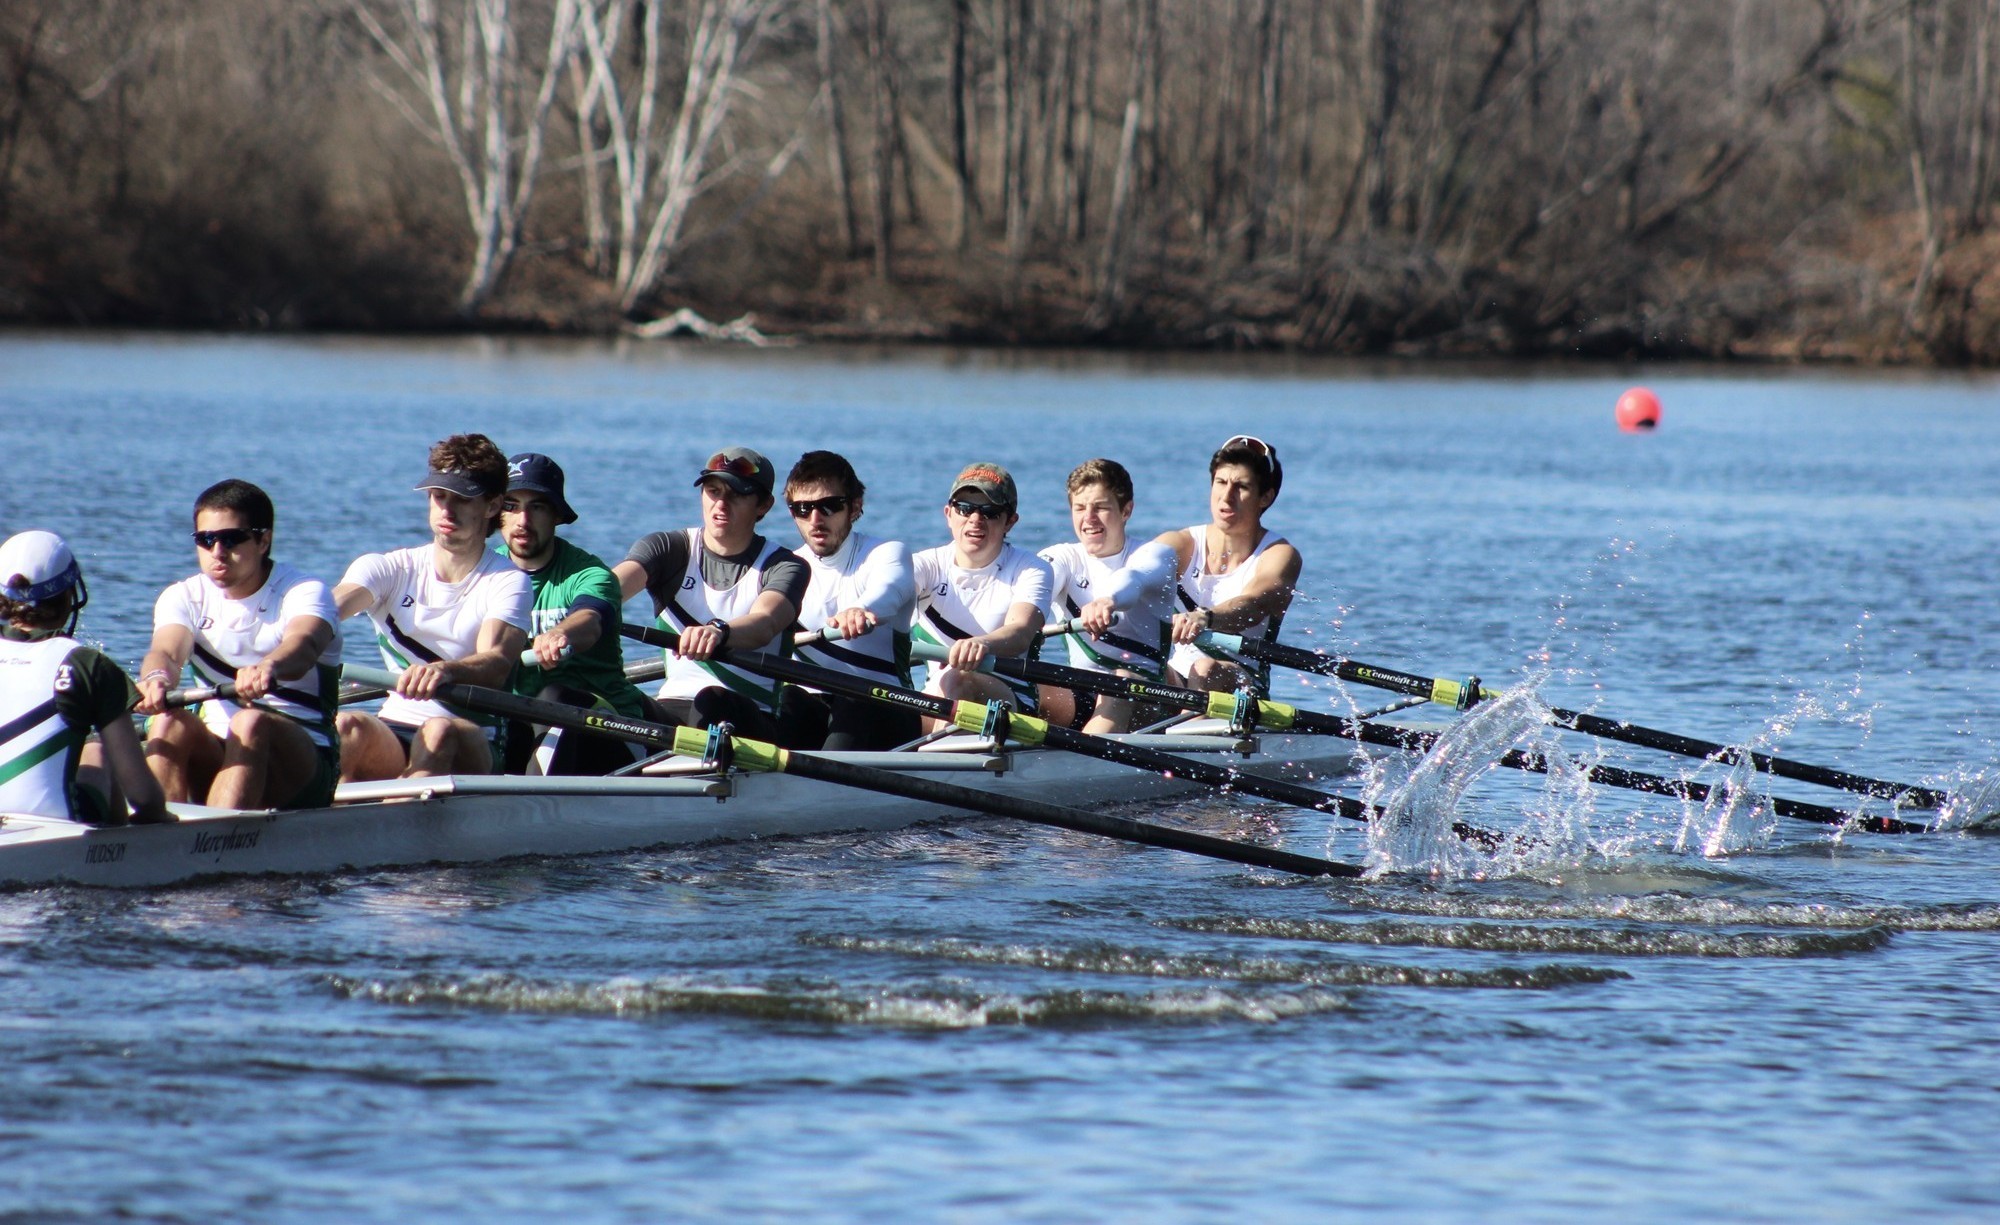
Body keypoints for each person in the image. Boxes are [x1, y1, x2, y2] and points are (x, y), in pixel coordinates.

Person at [334, 434, 533, 781]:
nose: (447, 510)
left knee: (438, 731)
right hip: (396, 725)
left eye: (462, 499)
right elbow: (324, 612)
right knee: (348, 724)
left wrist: (446, 671)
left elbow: (496, 661)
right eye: (439, 497)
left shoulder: (507, 581)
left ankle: (395, 816)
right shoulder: (389, 569)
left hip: (474, 736)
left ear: (491, 506)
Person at [134, 479, 343, 810]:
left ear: (263, 541)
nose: (217, 553)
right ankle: (152, 833)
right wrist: (156, 678)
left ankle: (217, 839)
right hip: (219, 749)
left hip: (304, 759)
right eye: (206, 540)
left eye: (231, 539)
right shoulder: (184, 596)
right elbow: (167, 651)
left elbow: (303, 645)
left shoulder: (304, 592)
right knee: (169, 720)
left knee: (249, 721)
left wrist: (268, 667)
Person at [614, 446, 809, 744]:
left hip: (747, 716)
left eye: (737, 494)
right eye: (713, 491)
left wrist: (718, 631)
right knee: (596, 697)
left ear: (764, 506)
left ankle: (688, 782)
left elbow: (765, 623)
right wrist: (576, 616)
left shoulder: (784, 566)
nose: (721, 504)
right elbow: (608, 590)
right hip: (672, 712)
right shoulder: (667, 549)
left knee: (712, 699)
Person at [0, 531, 170, 825]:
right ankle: (114, 847)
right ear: (69, 595)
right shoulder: (89, 664)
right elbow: (143, 798)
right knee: (98, 748)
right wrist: (160, 817)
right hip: (55, 828)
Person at [498, 452, 652, 775]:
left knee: (552, 696)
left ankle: (528, 809)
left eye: (537, 506)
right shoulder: (482, 572)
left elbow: (589, 620)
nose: (522, 520)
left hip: (612, 735)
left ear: (556, 515)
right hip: (521, 725)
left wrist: (560, 634)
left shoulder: (590, 574)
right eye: (511, 506)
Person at [781, 450, 922, 751]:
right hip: (814, 709)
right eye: (803, 508)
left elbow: (891, 589)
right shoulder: (785, 568)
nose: (815, 519)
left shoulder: (885, 553)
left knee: (853, 702)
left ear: (855, 507)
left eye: (829, 506)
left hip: (886, 708)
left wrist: (862, 609)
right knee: (783, 700)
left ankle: (825, 788)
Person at [1035, 458, 1179, 733]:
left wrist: (1105, 602)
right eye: (1080, 508)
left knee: (1118, 682)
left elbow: (1132, 579)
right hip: (1084, 693)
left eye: (1100, 508)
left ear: (1126, 511)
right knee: (1021, 686)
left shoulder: (1154, 554)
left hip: (1147, 695)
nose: (1088, 518)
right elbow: (1035, 589)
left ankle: (1080, 768)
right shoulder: (1062, 558)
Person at [1158, 434, 1301, 694]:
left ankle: (1182, 732)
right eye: (1220, 482)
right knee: (1131, 671)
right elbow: (1134, 575)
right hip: (1174, 679)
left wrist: (1205, 618)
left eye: (1241, 487)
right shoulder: (1179, 544)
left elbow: (1254, 605)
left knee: (1204, 669)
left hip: (1242, 682)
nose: (1226, 496)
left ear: (1265, 497)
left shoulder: (1278, 554)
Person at [910, 461, 1051, 720]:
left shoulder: (1031, 569)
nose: (975, 520)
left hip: (1011, 701)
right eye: (964, 509)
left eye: (990, 512)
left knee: (959, 679)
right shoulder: (924, 565)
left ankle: (931, 755)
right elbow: (887, 598)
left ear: (1010, 521)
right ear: (948, 514)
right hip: (936, 699)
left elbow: (1020, 632)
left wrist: (981, 644)